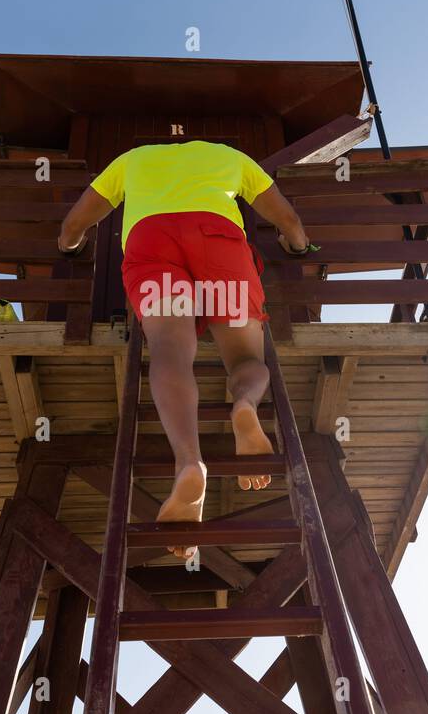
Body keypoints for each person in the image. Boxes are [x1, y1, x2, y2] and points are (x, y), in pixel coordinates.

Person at [58, 140, 314, 557]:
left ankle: (189, 463)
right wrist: (298, 245)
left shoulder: (128, 159)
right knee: (248, 359)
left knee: (170, 350)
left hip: (152, 242)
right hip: (219, 240)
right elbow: (287, 218)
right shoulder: (234, 157)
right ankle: (244, 405)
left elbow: (73, 225)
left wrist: (70, 247)